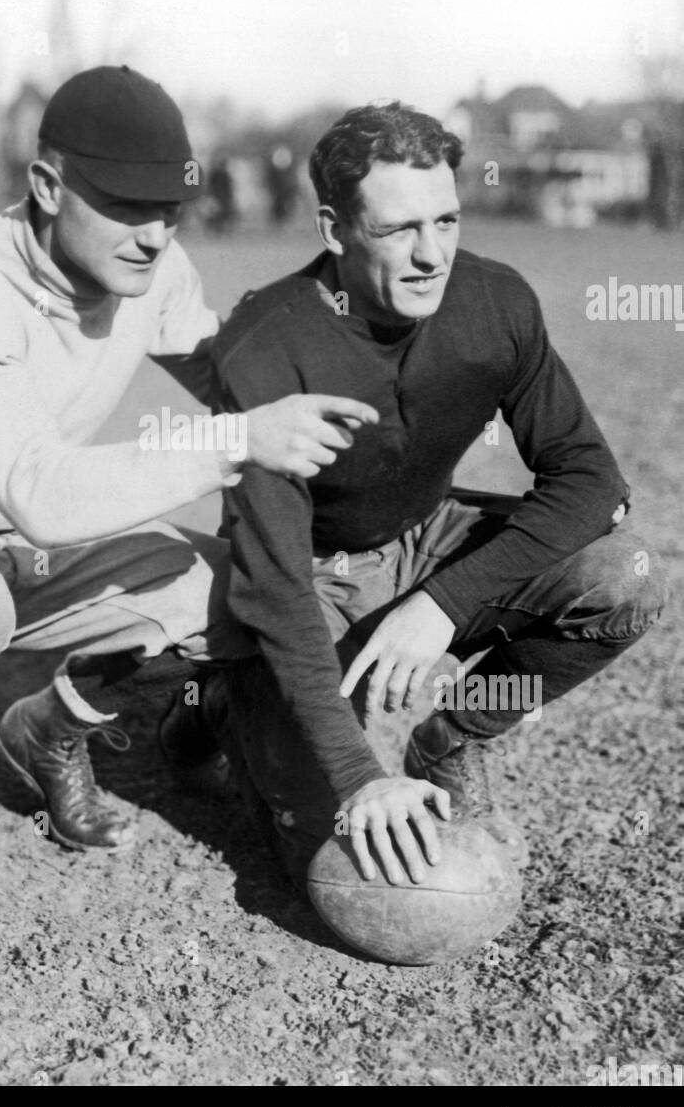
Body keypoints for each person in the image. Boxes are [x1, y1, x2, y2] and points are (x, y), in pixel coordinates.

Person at [0, 65, 373, 917]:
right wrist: (238, 441)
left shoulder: (152, 265)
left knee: (236, 592)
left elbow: (232, 369)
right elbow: (41, 493)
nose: (155, 235)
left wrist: (367, 340)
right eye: (126, 206)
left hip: (23, 546)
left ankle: (49, 731)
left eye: (169, 209)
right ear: (48, 187)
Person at [173, 101, 665, 901]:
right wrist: (355, 778)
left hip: (430, 540)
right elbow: (273, 587)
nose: (431, 253)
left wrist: (440, 603)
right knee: (356, 878)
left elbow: (589, 479)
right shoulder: (266, 345)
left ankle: (450, 740)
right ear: (334, 229)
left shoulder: (494, 303)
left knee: (628, 575)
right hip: (314, 579)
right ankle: (218, 701)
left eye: (446, 221)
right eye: (399, 229)